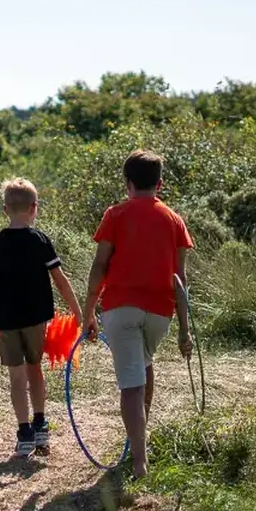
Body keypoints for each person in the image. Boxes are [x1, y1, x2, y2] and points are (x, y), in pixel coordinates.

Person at [80, 150, 194, 480]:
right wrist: (184, 332)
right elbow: (180, 280)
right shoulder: (174, 220)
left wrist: (89, 314)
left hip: (120, 309)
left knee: (131, 385)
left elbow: (99, 266)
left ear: (128, 183)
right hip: (160, 313)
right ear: (160, 184)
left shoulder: (115, 215)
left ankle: (139, 460)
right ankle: (138, 441)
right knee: (143, 365)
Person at [0, 178, 83, 459]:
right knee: (35, 369)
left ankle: (24, 432)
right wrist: (77, 311)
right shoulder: (40, 241)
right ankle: (40, 423)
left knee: (16, 376)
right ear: (34, 208)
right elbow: (60, 280)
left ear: (5, 209)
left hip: (6, 320)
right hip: (37, 318)